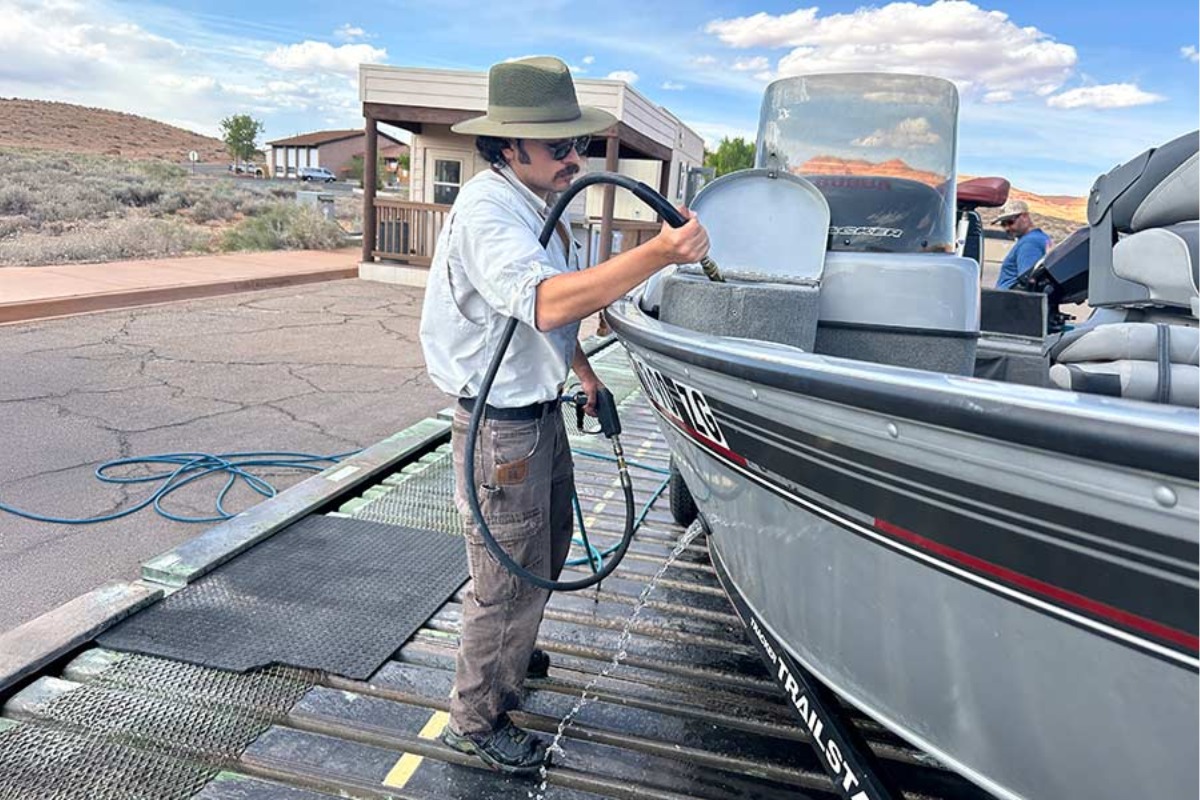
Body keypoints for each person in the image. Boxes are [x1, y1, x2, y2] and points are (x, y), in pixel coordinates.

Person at [418, 56, 709, 775]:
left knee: (542, 553)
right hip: (500, 424)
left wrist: (582, 373)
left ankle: (512, 656)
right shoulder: (489, 212)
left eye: (576, 142)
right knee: (507, 577)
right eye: (556, 145)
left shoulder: (538, 197)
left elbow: (552, 305)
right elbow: (546, 302)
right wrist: (660, 252)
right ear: (507, 145)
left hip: (537, 410)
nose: (573, 157)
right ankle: (475, 719)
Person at [992, 199, 1051, 289]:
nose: (1007, 228)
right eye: (1003, 224)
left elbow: (1027, 282)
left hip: (1010, 296)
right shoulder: (1039, 237)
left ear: (1024, 217)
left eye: (1010, 222)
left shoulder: (1030, 242)